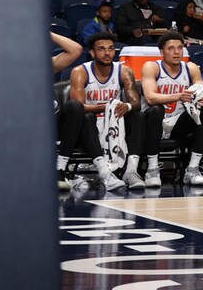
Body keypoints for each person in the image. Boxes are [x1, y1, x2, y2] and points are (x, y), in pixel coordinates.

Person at [56, 32, 144, 191]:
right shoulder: (80, 71)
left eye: (111, 49)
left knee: (138, 114)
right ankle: (103, 172)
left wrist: (127, 106)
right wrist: (108, 106)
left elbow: (135, 101)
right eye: (102, 49)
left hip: (113, 125)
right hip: (86, 127)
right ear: (92, 52)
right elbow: (79, 105)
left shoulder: (123, 71)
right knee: (85, 114)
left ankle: (131, 171)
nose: (107, 53)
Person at [140, 31, 203, 187]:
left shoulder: (191, 68)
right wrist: (178, 96)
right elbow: (151, 98)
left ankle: (192, 168)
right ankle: (152, 169)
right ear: (162, 52)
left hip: (178, 122)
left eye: (180, 48)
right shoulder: (152, 67)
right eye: (171, 48)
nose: (177, 52)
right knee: (156, 110)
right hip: (153, 123)